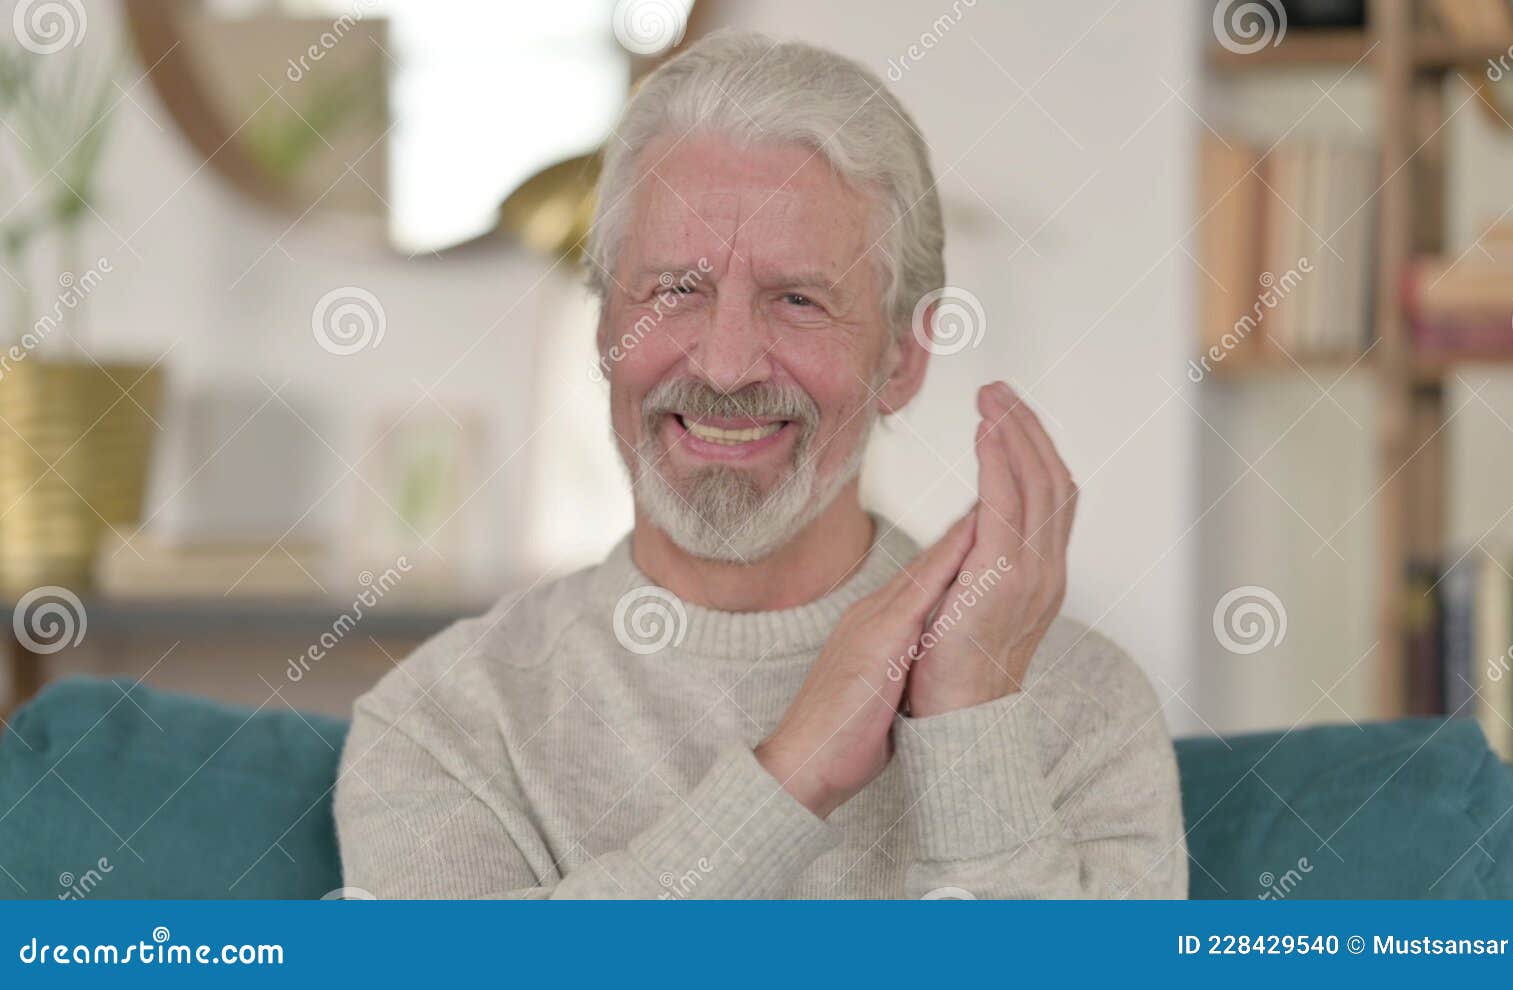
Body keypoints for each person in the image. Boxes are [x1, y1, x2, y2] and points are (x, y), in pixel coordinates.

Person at [334, 29, 1187, 900]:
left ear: (903, 358)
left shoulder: (1084, 707)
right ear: (605, 328)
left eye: (798, 300)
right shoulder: (445, 723)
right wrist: (789, 778)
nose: (726, 366)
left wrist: (971, 726)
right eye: (677, 290)